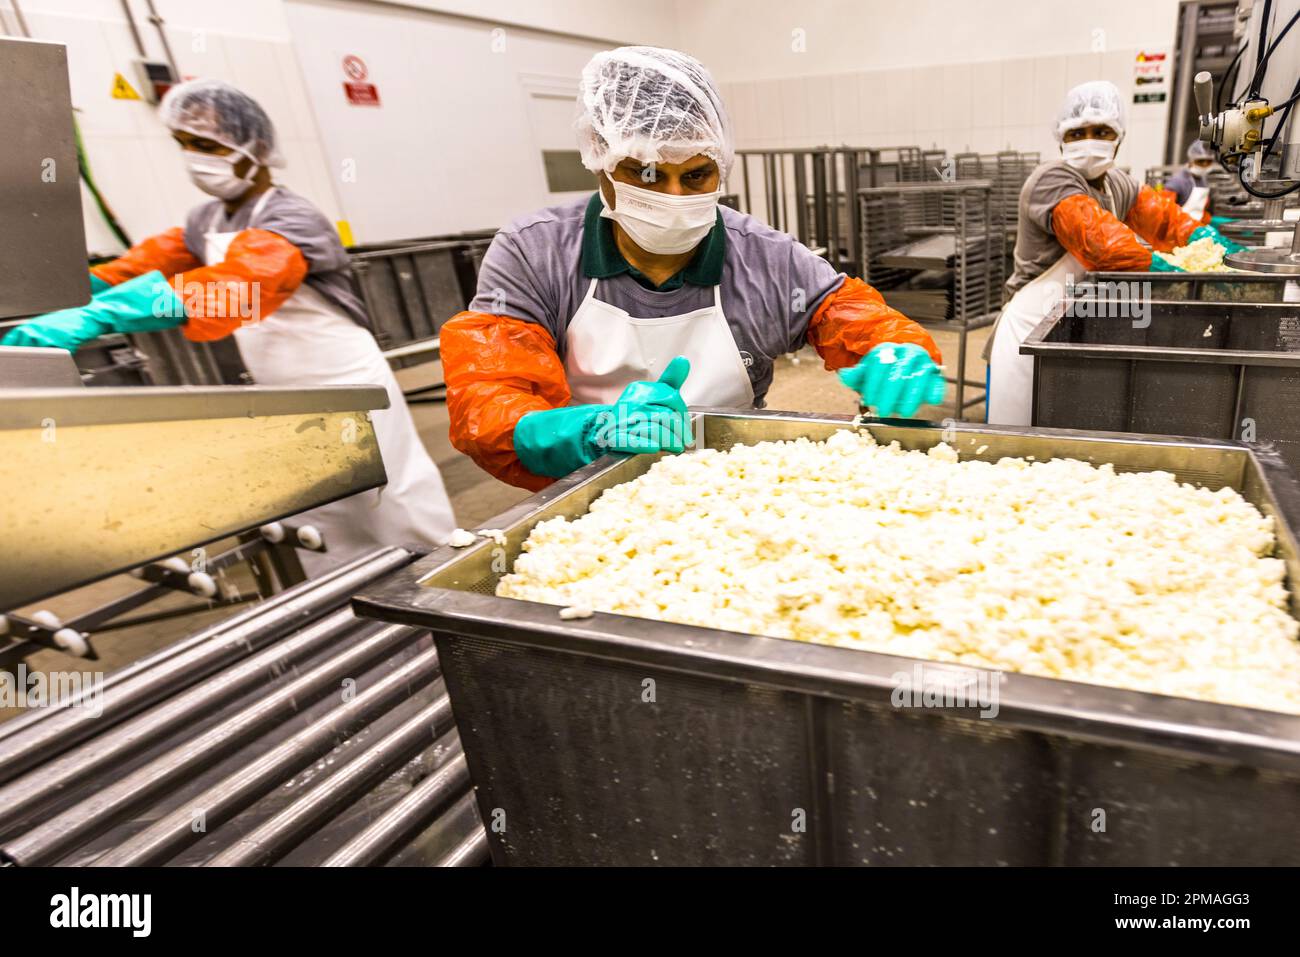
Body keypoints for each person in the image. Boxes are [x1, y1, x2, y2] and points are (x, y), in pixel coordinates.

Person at [440, 46, 946, 491]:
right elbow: (488, 397)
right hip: (589, 487)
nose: (674, 197)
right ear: (600, 159)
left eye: (697, 174)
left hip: (734, 481)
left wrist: (894, 350)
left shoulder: (763, 255)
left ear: (721, 165)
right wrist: (587, 430)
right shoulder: (535, 252)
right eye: (647, 174)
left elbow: (845, 312)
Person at [3, 79, 455, 571]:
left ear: (255, 148)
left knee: (389, 490)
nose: (194, 157)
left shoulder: (294, 217)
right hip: (281, 388)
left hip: (346, 375)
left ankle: (435, 579)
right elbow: (132, 269)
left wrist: (98, 315)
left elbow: (239, 285)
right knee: (319, 499)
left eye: (207, 145)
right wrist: (61, 298)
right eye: (184, 144)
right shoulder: (206, 219)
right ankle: (349, 595)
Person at [985, 80, 1244, 426]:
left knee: (1061, 438)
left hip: (1070, 326)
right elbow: (1101, 243)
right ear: (1061, 137)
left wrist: (1208, 242)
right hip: (1028, 330)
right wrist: (1171, 270)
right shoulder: (1051, 179)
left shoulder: (1117, 184)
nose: (1089, 139)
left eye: (1101, 131)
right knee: (1015, 448)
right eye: (1077, 132)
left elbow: (1166, 220)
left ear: (1118, 137)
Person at [1163, 140, 1217, 223]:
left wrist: (1212, 222)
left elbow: (1201, 213)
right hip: (1177, 231)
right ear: (1191, 160)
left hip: (1197, 229)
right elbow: (1164, 213)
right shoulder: (1177, 182)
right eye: (1200, 161)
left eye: (1208, 161)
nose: (1205, 165)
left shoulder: (1204, 182)